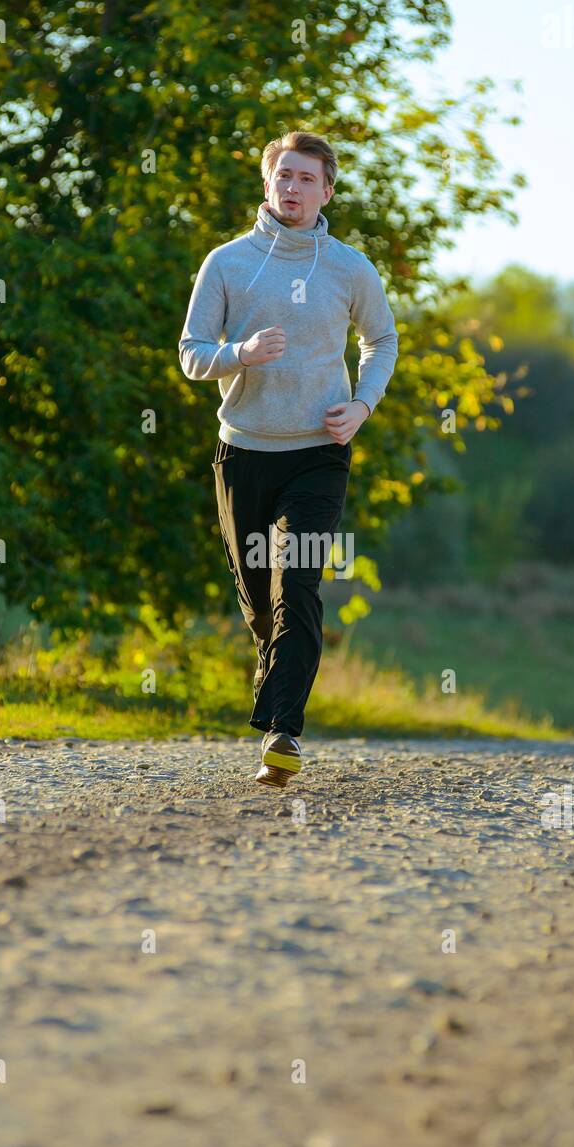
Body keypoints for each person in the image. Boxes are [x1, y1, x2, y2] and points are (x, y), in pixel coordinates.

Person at [178, 131, 398, 786]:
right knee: (256, 601)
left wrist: (361, 406)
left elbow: (381, 339)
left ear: (327, 191)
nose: (293, 188)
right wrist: (238, 355)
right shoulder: (226, 263)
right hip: (242, 453)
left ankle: (282, 734)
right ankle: (273, 684)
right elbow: (192, 354)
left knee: (295, 588)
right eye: (284, 176)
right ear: (267, 184)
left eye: (306, 178)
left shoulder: (349, 268)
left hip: (317, 455)